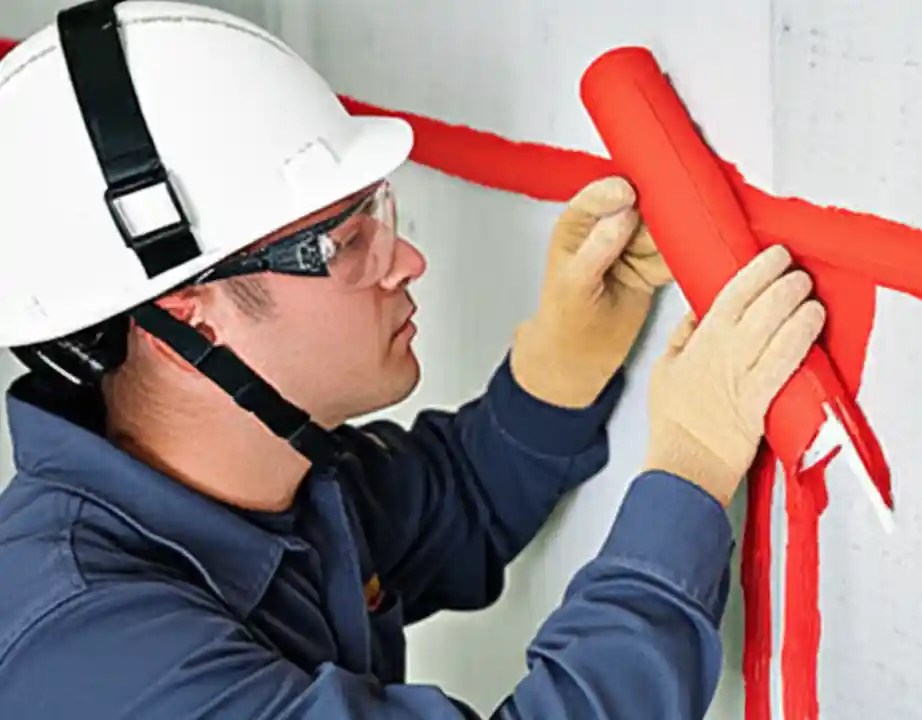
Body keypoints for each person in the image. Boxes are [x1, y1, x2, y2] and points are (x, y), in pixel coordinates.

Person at [0, 2, 826, 718]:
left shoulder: (265, 481)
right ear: (193, 324)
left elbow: (456, 502)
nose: (406, 261)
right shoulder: (98, 656)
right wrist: (690, 469)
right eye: (345, 243)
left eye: (378, 214)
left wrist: (561, 364)